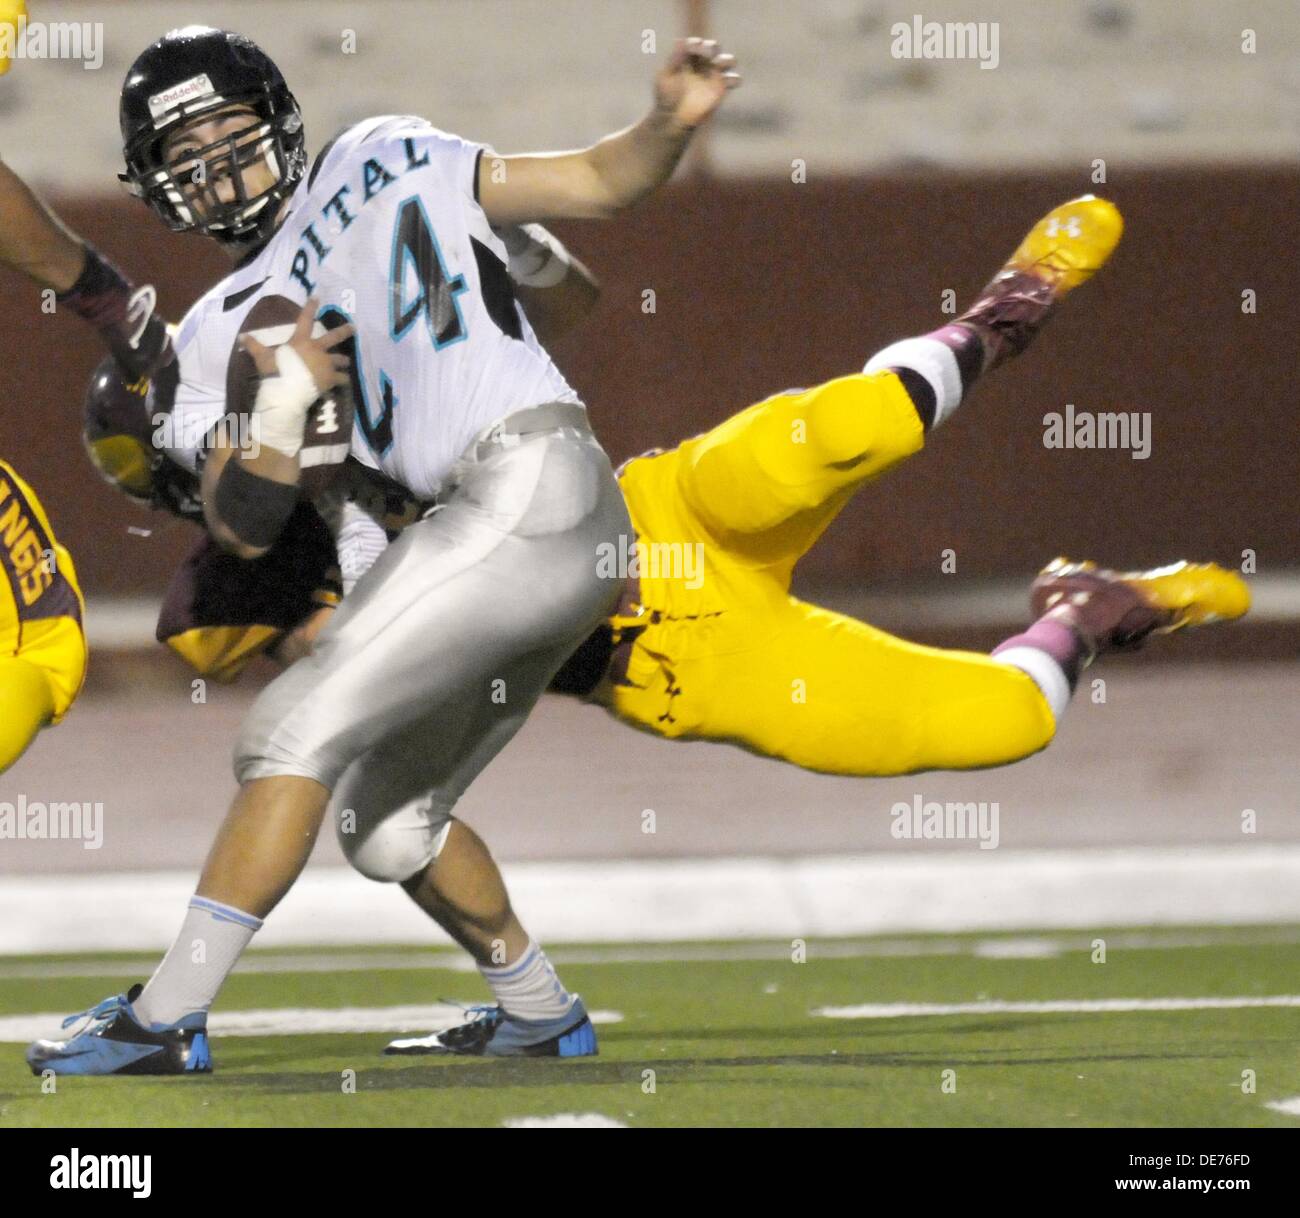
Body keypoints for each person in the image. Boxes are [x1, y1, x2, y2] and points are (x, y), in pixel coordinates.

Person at [28, 24, 740, 1073]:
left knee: (284, 739)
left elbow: (595, 185)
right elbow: (242, 520)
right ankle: (541, 1010)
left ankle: (163, 1017)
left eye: (229, 132)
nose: (216, 166)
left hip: (523, 485)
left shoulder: (382, 151)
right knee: (387, 821)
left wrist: (667, 126)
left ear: (280, 119)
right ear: (154, 187)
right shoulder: (216, 328)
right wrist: (284, 402)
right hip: (525, 528)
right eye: (185, 158)